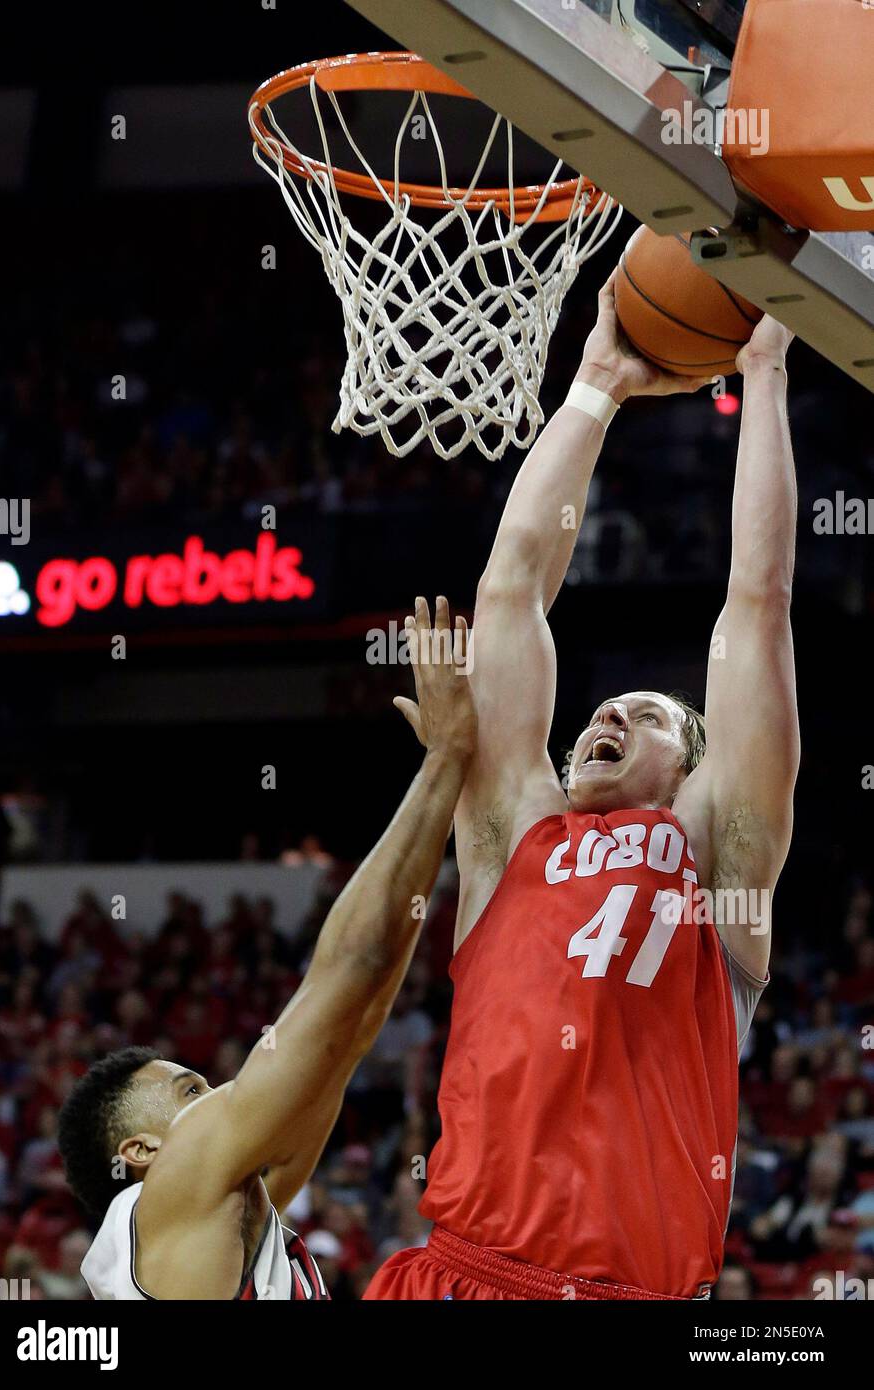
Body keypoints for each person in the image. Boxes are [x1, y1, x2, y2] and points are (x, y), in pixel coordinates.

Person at [365, 278, 800, 1301]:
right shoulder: (511, 833)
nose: (608, 717)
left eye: (646, 716)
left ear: (692, 768)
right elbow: (510, 589)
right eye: (602, 711)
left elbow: (758, 601)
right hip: (459, 1273)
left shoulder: (715, 857)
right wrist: (594, 387)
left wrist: (764, 373)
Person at [58, 599, 475, 1300]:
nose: (223, 1090)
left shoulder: (229, 1209)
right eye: (191, 1091)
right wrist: (445, 760)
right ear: (139, 1152)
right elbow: (349, 973)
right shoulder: (169, 1194)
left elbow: (355, 1022)